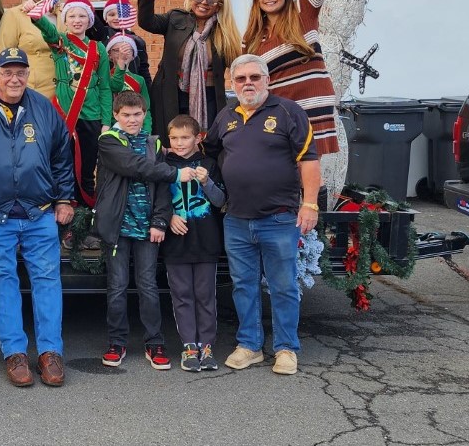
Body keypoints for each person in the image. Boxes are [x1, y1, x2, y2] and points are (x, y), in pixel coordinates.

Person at [0, 48, 76, 388]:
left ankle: (51, 353)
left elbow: (61, 156)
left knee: (47, 279)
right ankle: (15, 353)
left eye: (20, 72)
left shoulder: (43, 108)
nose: (14, 79)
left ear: (27, 74)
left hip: (39, 212)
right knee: (3, 280)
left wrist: (65, 197)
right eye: (7, 72)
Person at [207, 55, 321, 376]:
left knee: (283, 285)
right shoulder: (226, 116)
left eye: (255, 77)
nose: (248, 83)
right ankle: (250, 345)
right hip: (236, 219)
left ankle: (286, 349)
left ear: (267, 80)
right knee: (243, 285)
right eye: (241, 78)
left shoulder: (288, 112)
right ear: (232, 84)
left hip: (280, 219)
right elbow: (211, 152)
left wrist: (309, 203)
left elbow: (309, 159)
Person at [94, 91, 200, 372]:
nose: (132, 120)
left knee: (148, 287)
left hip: (147, 228)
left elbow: (161, 191)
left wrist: (159, 221)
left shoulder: (154, 143)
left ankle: (155, 342)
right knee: (116, 287)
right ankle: (116, 342)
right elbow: (134, 167)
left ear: (145, 114)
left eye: (137, 114)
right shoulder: (108, 141)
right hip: (118, 227)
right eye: (126, 115)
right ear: (116, 115)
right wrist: (176, 173)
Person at [240, 0, 361, 156]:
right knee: (282, 171)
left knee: (310, 170)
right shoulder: (251, 37)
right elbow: (249, 80)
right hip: (278, 111)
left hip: (312, 103)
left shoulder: (303, 10)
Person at [156, 114, 226, 372]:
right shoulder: (163, 165)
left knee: (205, 295)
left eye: (185, 137)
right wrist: (169, 216)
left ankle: (206, 345)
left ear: (198, 138)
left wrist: (206, 182)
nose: (179, 143)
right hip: (176, 243)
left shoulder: (208, 164)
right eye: (173, 138)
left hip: (206, 240)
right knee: (182, 295)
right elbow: (156, 199)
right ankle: (189, 346)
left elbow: (220, 201)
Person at [138, 0, 242, 144]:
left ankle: (202, 170)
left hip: (207, 98)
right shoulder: (175, 18)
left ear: (219, 6)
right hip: (170, 94)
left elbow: (239, 64)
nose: (203, 2)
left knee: (204, 142)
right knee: (169, 140)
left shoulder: (225, 32)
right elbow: (146, 21)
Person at [33, 0, 111, 207]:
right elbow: (47, 31)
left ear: (89, 20)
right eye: (72, 15)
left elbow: (105, 86)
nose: (77, 20)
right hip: (63, 114)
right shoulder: (60, 43)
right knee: (62, 164)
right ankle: (63, 206)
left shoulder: (98, 49)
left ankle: (85, 211)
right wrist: (37, 16)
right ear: (65, 20)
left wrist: (106, 122)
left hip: (91, 115)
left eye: (82, 16)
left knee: (87, 167)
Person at [0, 0, 60, 98]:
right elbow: (3, 56)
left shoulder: (64, 13)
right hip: (32, 91)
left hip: (63, 92)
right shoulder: (14, 15)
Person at [92, 0, 150, 87]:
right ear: (105, 18)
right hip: (109, 87)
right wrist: (87, 6)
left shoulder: (137, 41)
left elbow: (144, 70)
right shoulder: (102, 35)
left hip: (132, 89)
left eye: (121, 14)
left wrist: (148, 92)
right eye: (112, 14)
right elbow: (94, 23)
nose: (117, 18)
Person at [106, 34, 150, 135]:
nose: (123, 54)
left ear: (134, 54)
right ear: (109, 54)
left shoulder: (139, 80)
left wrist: (146, 131)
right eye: (117, 50)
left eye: (127, 50)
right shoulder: (106, 77)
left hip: (136, 129)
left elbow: (146, 108)